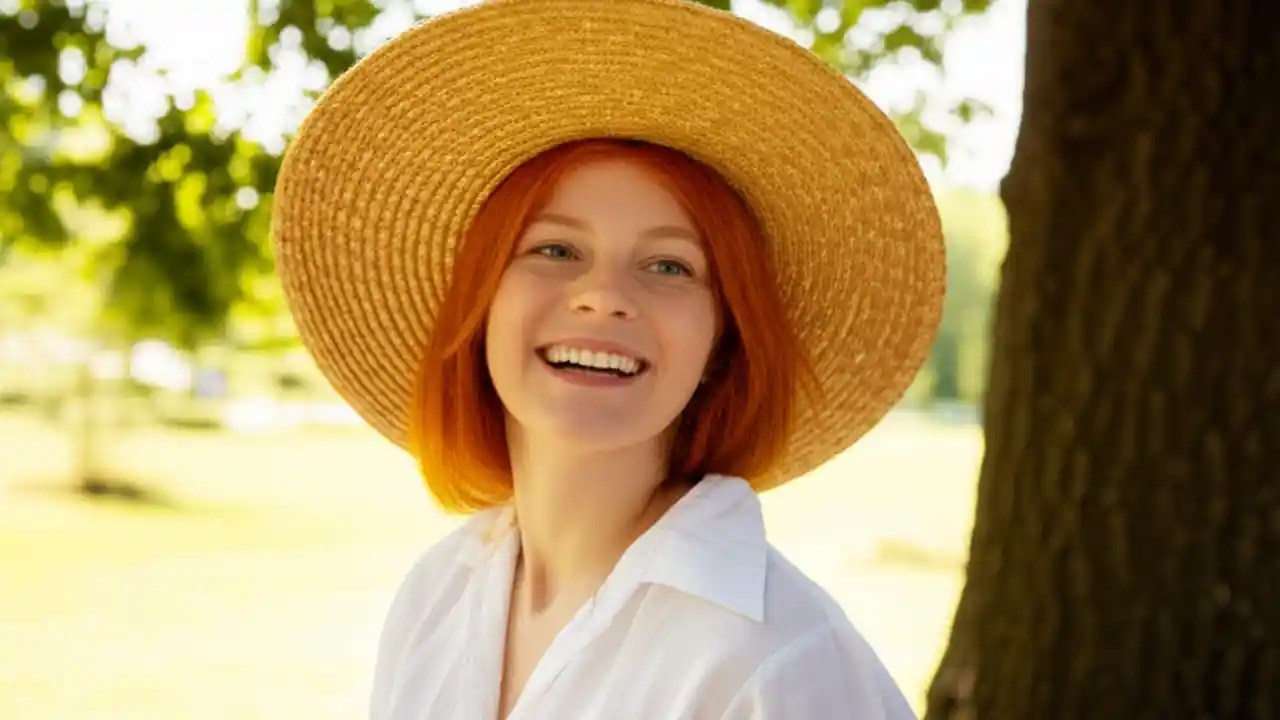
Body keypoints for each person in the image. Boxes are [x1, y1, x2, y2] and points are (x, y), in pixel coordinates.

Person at [271, 0, 945, 717]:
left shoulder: (778, 662)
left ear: (722, 343)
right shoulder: (438, 593)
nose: (604, 297)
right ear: (480, 307)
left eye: (669, 267)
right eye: (555, 250)